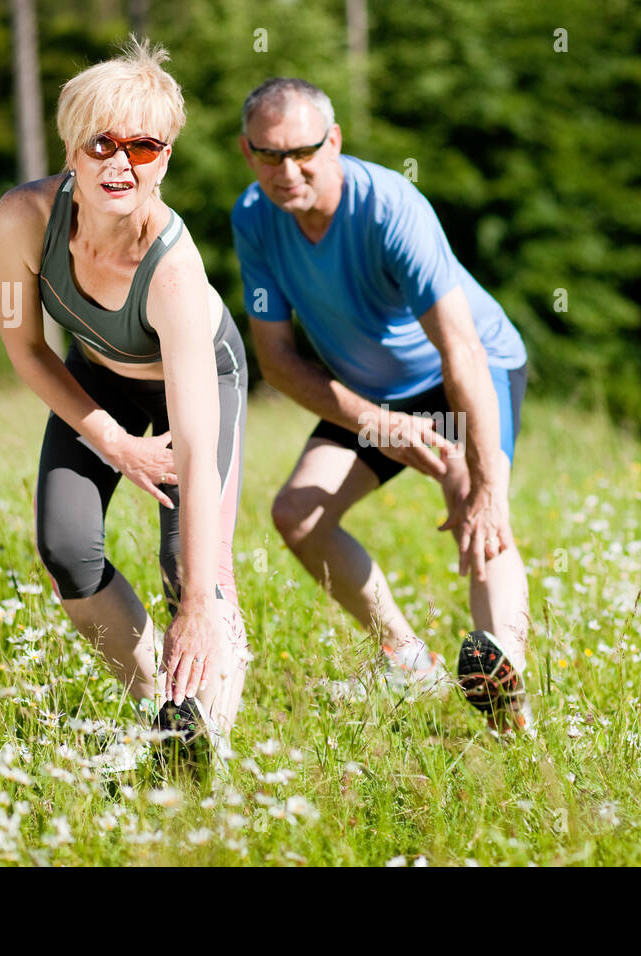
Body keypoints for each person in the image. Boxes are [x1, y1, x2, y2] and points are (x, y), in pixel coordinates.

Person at [231, 77, 532, 732]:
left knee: (473, 500)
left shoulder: (391, 209)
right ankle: (407, 661)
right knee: (297, 515)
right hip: (374, 396)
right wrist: (373, 420)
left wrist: (487, 486)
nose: (288, 171)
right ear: (247, 152)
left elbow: (463, 354)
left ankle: (507, 689)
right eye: (269, 155)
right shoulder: (253, 217)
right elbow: (278, 363)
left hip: (461, 372)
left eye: (304, 152)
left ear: (333, 141)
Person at [0, 37, 249, 753]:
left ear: (166, 158)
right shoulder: (23, 218)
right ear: (71, 149)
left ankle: (208, 733)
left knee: (191, 566)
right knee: (67, 547)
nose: (120, 162)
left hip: (194, 391)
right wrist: (112, 440)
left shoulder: (173, 270)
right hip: (98, 379)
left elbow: (195, 443)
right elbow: (28, 349)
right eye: (100, 143)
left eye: (142, 145)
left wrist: (197, 600)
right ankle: (164, 717)